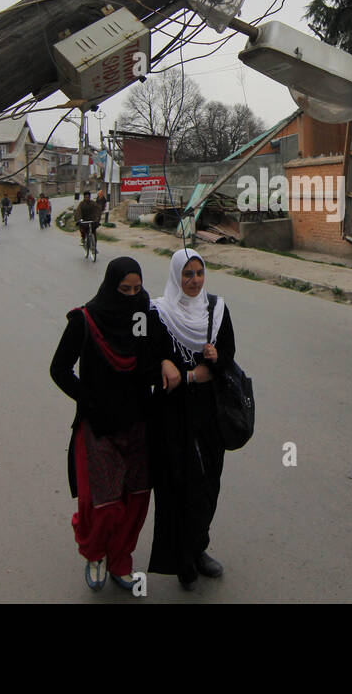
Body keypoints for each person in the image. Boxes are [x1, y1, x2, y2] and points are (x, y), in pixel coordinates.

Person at [49, 258, 179, 592]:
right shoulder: (86, 320)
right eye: (125, 290)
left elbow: (151, 347)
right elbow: (60, 369)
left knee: (135, 499)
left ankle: (121, 560)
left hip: (138, 422)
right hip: (100, 425)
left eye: (137, 289)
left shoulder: (138, 315)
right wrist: (90, 400)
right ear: (111, 287)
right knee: (104, 505)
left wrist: (165, 359)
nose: (133, 296)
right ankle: (95, 554)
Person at [148, 248, 236, 590]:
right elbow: (146, 354)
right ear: (175, 276)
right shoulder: (158, 313)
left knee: (209, 482)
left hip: (208, 413)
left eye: (199, 273)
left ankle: (200, 548)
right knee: (178, 484)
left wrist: (215, 358)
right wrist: (164, 365)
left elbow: (228, 357)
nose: (194, 280)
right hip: (171, 414)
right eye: (187, 274)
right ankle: (182, 560)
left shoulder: (217, 310)